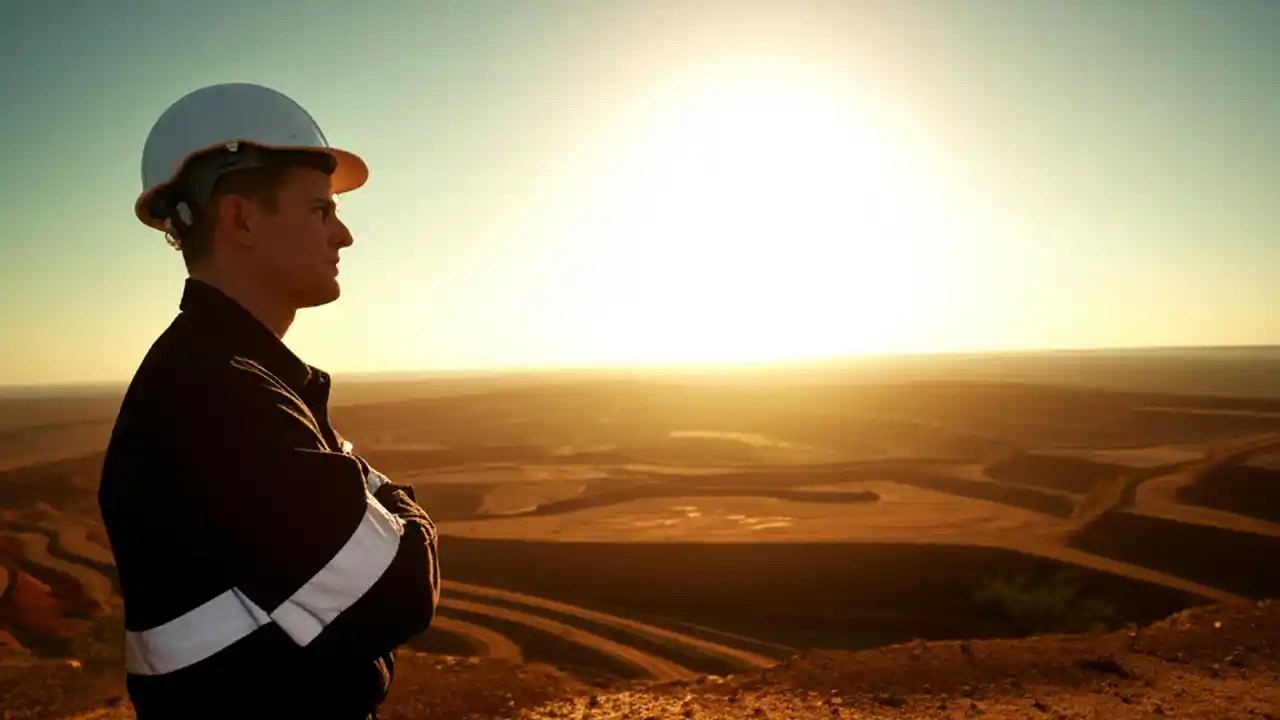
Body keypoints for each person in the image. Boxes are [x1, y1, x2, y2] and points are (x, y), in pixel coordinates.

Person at [97, 83, 441, 719]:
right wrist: (395, 502)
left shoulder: (223, 374)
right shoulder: (217, 394)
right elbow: (399, 589)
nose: (344, 235)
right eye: (320, 210)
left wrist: (362, 489)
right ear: (241, 219)